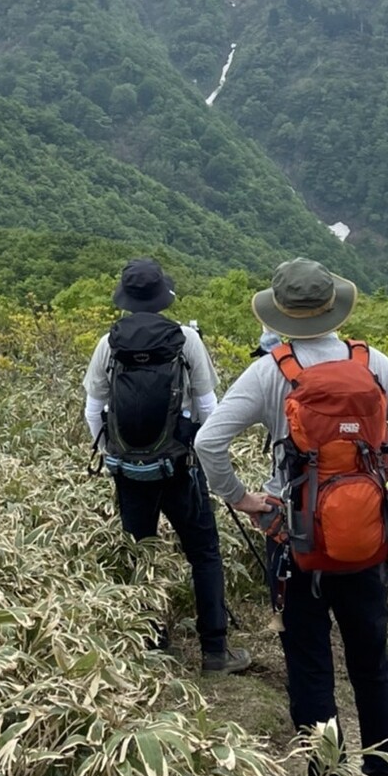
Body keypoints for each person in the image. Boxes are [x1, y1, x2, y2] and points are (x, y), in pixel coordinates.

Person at [195, 258, 388, 776]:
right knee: (372, 666)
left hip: (295, 544)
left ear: (280, 315)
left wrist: (244, 499)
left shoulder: (270, 372)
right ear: (336, 308)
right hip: (367, 545)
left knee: (310, 670)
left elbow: (210, 443)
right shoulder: (370, 362)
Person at [83, 257, 251, 674]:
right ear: (162, 296)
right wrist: (199, 454)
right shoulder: (186, 339)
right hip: (180, 467)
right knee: (204, 553)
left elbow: (93, 410)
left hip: (129, 472)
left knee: (141, 554)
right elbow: (210, 407)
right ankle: (215, 651)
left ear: (126, 298)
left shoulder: (109, 342)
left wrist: (113, 456)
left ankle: (154, 645)